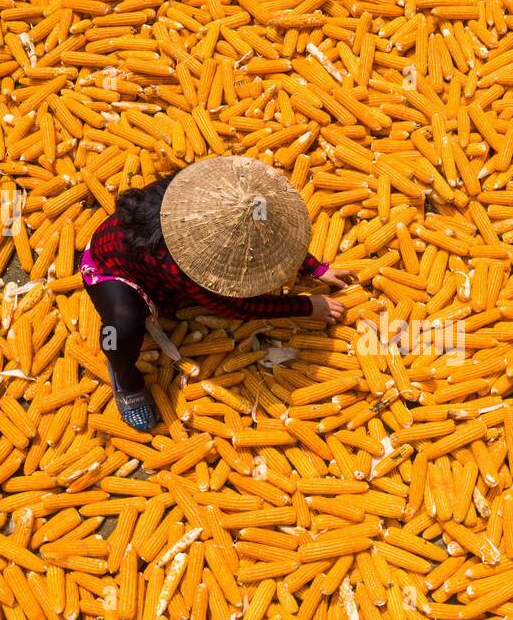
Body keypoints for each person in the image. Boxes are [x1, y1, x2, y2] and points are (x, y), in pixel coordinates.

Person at [80, 156, 354, 430]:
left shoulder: (229, 194)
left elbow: (272, 236)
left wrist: (314, 269)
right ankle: (125, 379)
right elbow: (236, 308)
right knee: (121, 328)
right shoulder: (181, 263)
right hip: (114, 271)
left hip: (169, 269)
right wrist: (305, 307)